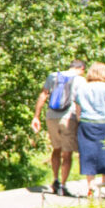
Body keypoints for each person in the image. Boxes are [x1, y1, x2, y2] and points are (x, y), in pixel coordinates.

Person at [32, 58, 84, 198]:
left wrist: (36, 116)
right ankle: (63, 185)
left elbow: (43, 95)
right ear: (81, 69)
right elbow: (81, 101)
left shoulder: (53, 76)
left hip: (51, 117)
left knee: (56, 149)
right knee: (67, 153)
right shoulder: (80, 80)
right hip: (69, 117)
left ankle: (55, 180)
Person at [71, 61, 105, 201]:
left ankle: (91, 187)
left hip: (86, 125)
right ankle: (104, 187)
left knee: (88, 155)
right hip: (104, 124)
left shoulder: (82, 88)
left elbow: (78, 112)